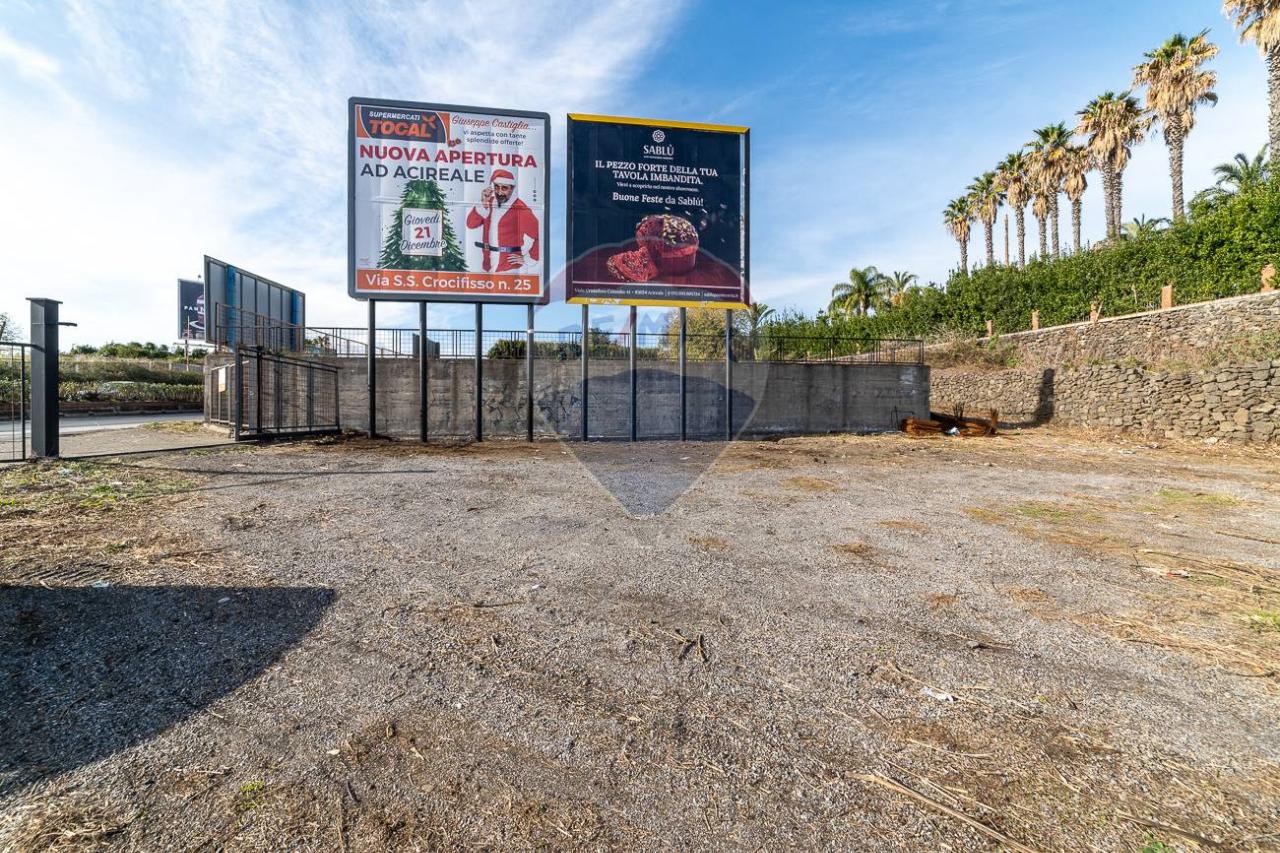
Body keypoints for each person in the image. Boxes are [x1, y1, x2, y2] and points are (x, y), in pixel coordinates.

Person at [466, 169, 540, 273]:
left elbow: (540, 234)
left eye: (504, 188)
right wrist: (483, 202)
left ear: (512, 188)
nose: (499, 192)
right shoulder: (489, 202)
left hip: (510, 269)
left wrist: (529, 258)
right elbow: (471, 224)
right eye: (497, 187)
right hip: (488, 267)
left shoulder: (520, 208)